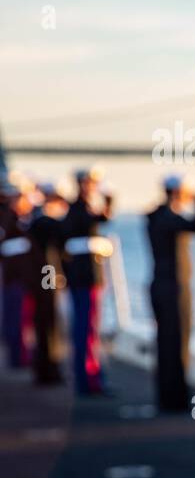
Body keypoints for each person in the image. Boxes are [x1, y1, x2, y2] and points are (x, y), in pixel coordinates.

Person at [146, 174, 195, 412]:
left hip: (162, 285)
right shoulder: (169, 217)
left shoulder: (156, 216)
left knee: (165, 342)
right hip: (175, 288)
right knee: (178, 342)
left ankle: (168, 396)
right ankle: (176, 398)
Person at [60, 165, 113, 396]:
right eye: (90, 183)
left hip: (84, 277)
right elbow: (98, 220)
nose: (93, 187)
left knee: (86, 329)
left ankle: (90, 378)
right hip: (86, 278)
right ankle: (88, 379)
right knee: (87, 329)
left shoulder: (76, 210)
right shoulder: (79, 210)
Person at [25, 181, 67, 386]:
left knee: (45, 324)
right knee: (48, 323)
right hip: (46, 279)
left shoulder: (36, 219)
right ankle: (48, 369)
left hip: (42, 278)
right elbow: (50, 255)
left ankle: (47, 368)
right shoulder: (44, 221)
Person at [0, 175, 33, 370]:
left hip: (22, 277)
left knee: (20, 317)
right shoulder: (6, 217)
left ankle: (21, 354)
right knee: (15, 317)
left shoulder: (20, 218)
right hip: (13, 276)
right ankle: (18, 356)